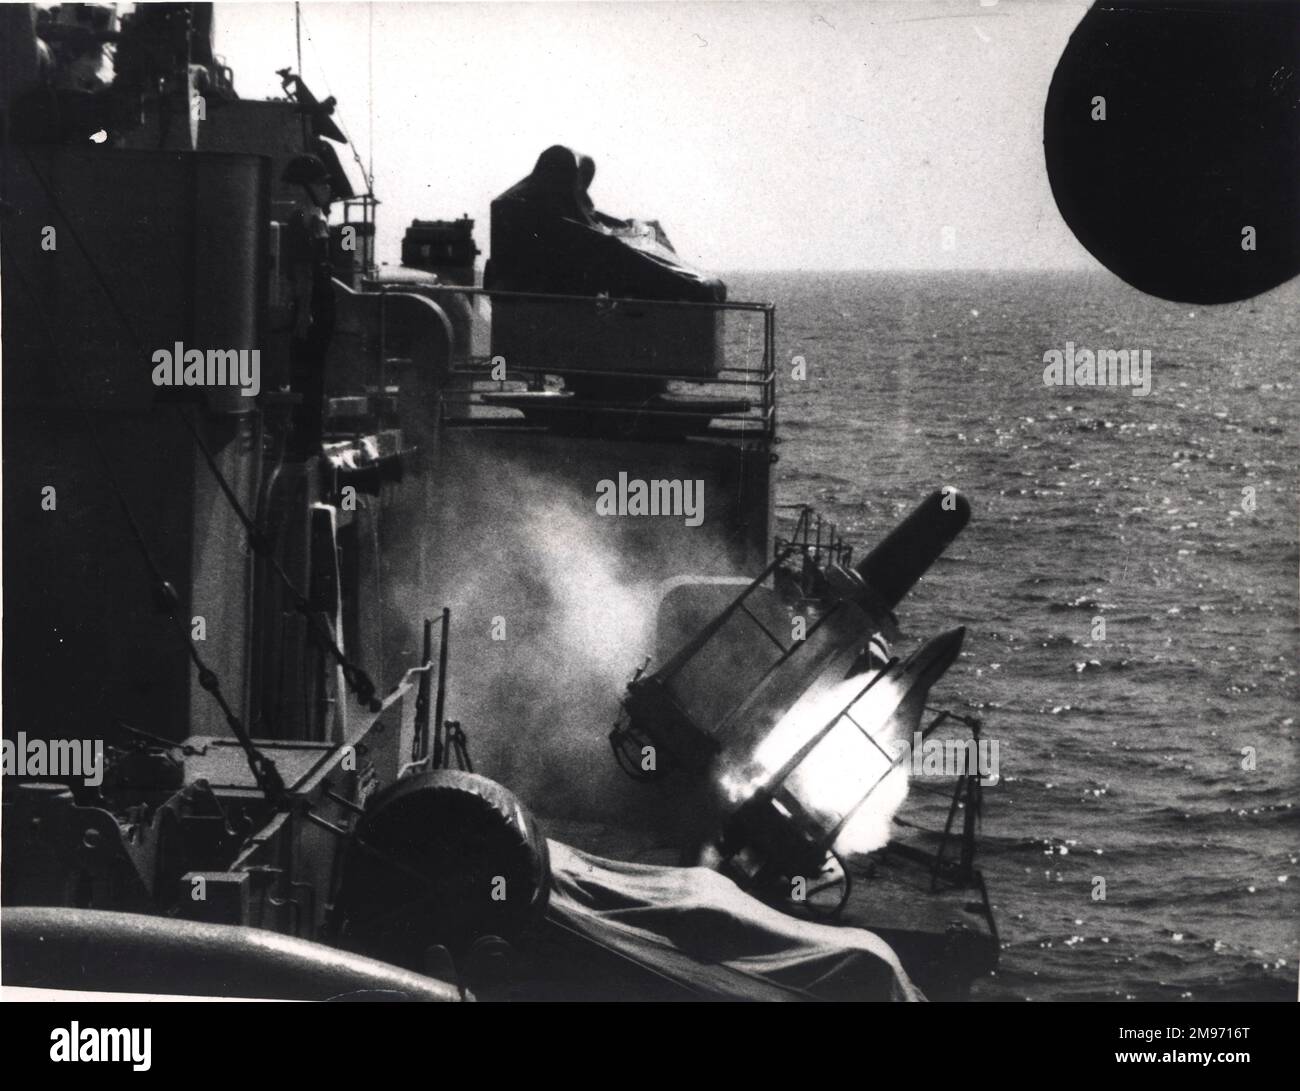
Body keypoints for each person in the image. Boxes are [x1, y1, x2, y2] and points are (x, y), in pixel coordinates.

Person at [282, 153, 335, 455]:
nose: (327, 189)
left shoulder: (304, 219)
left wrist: (303, 314)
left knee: (305, 373)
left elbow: (304, 271)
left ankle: (304, 440)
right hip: (321, 303)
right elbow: (309, 270)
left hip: (313, 304)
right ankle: (308, 438)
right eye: (320, 183)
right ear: (307, 187)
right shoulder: (315, 218)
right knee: (312, 376)